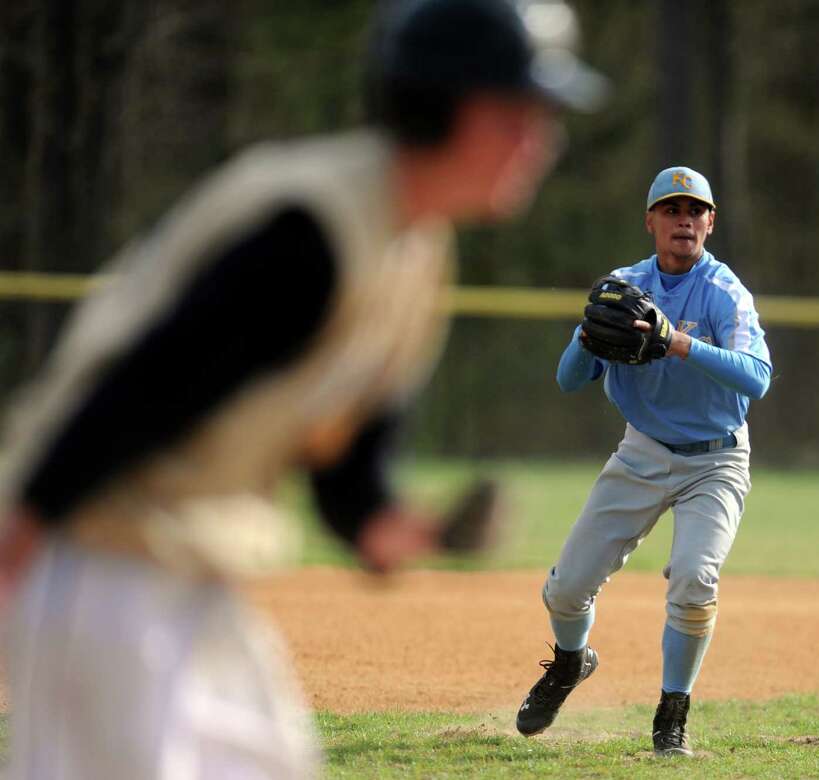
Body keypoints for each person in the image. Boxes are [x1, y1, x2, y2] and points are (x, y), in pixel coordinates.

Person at [0, 0, 605, 777]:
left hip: (185, 573)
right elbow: (147, 388)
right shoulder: (315, 228)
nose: (541, 138)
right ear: (442, 102)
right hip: (96, 563)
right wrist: (25, 528)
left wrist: (383, 523)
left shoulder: (415, 251)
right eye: (518, 110)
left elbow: (344, 451)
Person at [515, 166, 772, 757]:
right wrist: (587, 336)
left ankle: (671, 716)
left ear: (710, 223)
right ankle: (569, 664)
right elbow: (567, 380)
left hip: (716, 460)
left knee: (694, 580)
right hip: (643, 452)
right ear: (651, 221)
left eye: (695, 210)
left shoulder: (725, 293)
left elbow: (756, 379)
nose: (684, 219)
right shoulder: (623, 287)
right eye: (672, 209)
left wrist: (676, 340)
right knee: (566, 590)